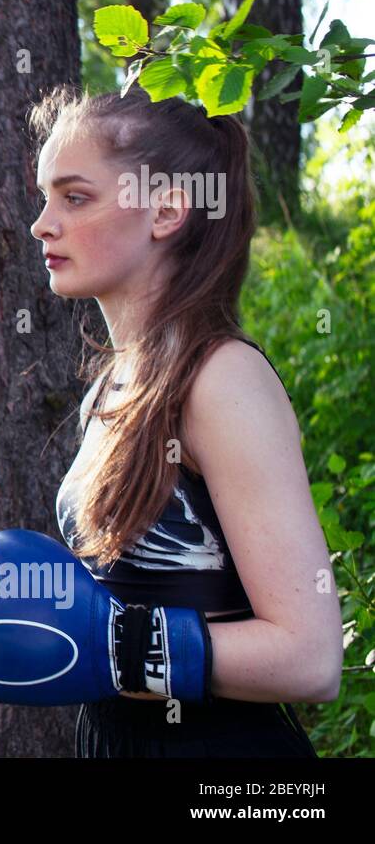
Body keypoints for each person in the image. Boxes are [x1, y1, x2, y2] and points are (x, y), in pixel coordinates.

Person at [26, 85, 343, 756]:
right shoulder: (112, 386)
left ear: (167, 209)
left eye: (74, 196)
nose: (42, 224)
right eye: (44, 196)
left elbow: (312, 657)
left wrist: (114, 646)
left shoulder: (221, 378)